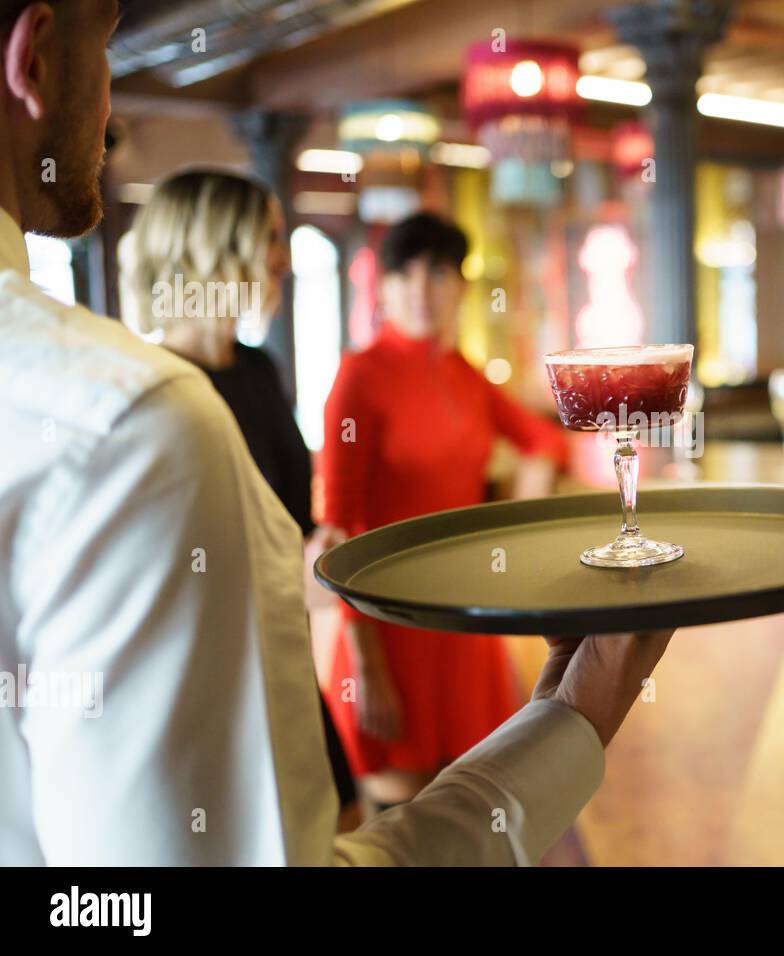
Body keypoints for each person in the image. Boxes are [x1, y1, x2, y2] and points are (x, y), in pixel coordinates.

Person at [0, 0, 671, 865]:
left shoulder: (227, 385)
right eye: (106, 42)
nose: (110, 105)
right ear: (36, 57)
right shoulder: (140, 421)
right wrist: (574, 722)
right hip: (380, 630)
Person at [118, 167, 359, 828]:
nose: (284, 257)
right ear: (213, 248)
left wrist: (317, 548)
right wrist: (290, 570)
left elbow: (288, 518)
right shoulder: (159, 389)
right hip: (215, 688)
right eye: (270, 238)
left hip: (283, 666)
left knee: (342, 818)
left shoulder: (258, 367)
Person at [320, 211, 570, 813]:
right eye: (404, 275)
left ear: (460, 286)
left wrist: (512, 535)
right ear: (383, 286)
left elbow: (547, 442)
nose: (420, 290)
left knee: (470, 817)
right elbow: (340, 526)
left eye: (437, 274)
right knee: (403, 826)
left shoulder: (465, 374)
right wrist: (367, 663)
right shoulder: (360, 376)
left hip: (464, 624)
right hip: (388, 626)